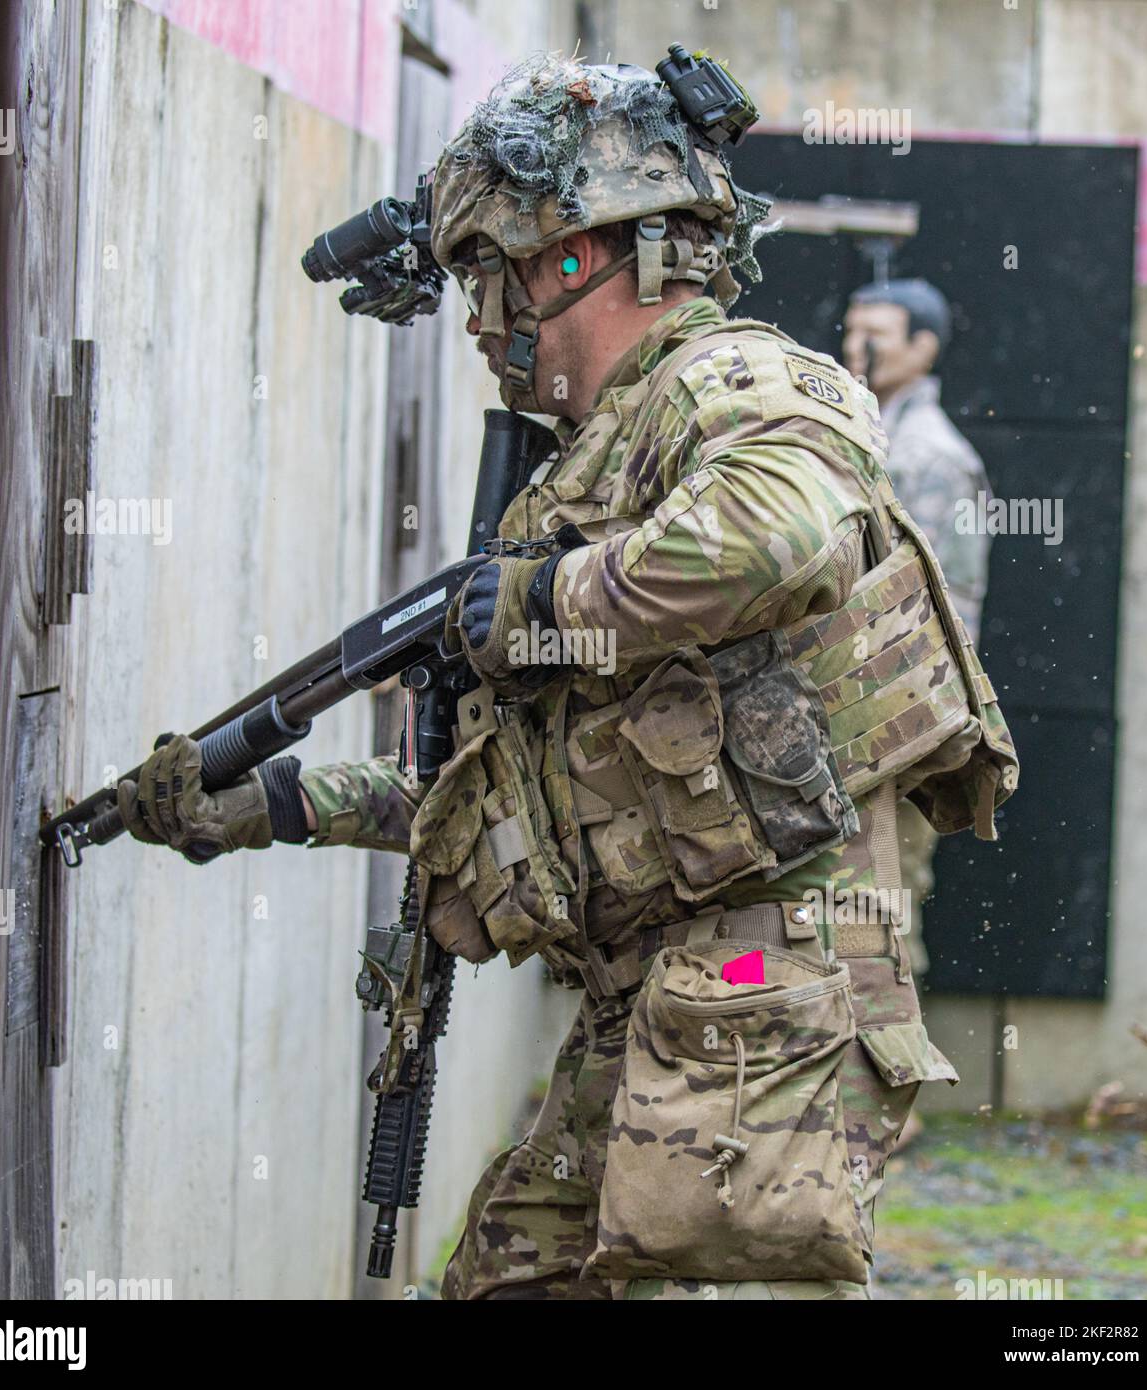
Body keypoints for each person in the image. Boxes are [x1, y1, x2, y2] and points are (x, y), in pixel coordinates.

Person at [117, 55, 1016, 1300]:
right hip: (665, 1004)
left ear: (580, 258)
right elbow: (516, 794)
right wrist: (279, 805)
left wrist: (543, 597)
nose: (480, 320)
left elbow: (782, 529)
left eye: (489, 274)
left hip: (764, 1001)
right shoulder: (587, 471)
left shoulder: (733, 384)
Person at [843, 280, 992, 982]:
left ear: (924, 348)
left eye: (877, 335)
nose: (857, 347)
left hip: (896, 724)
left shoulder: (935, 457)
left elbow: (951, 609)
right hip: (838, 720)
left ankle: (887, 1075)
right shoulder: (850, 430)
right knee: (821, 918)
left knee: (885, 912)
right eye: (851, 331)